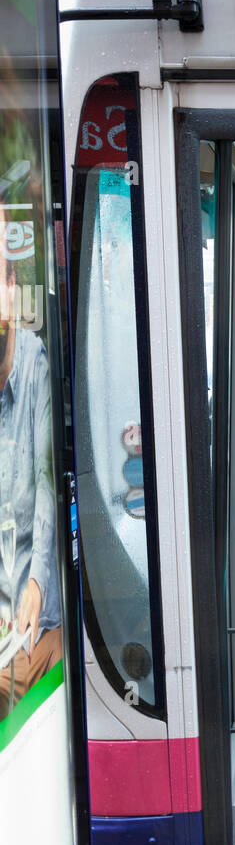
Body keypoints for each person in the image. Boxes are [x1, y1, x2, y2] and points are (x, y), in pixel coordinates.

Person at [0, 238, 62, 717]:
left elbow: (47, 486)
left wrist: (38, 582)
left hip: (35, 619)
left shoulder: (35, 362)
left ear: (11, 286)